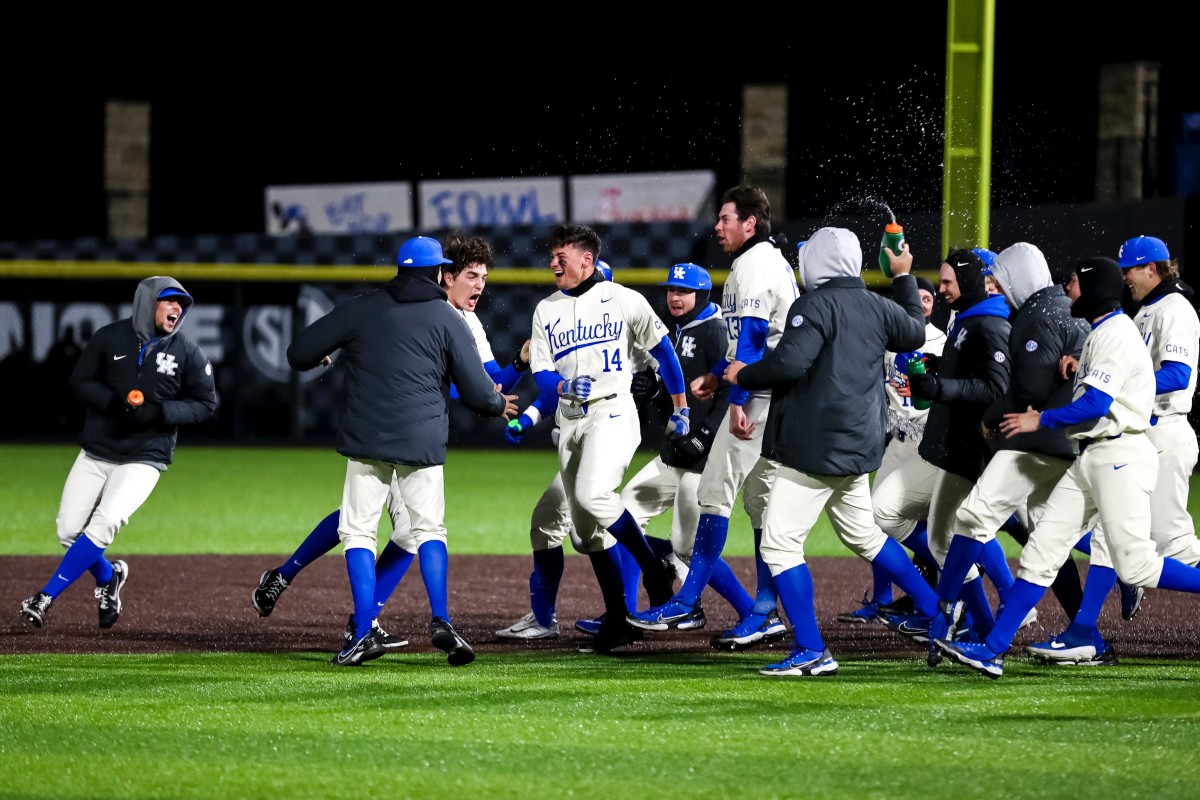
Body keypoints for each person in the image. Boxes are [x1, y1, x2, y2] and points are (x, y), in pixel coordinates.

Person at [255, 234, 529, 664]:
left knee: (362, 528)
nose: (478, 285)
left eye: (483, 277)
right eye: (469, 275)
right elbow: (480, 391)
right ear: (444, 274)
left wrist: (515, 368)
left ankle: (359, 622)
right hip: (420, 437)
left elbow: (302, 351)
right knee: (421, 530)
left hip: (369, 434)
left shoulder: (370, 305)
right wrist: (495, 404)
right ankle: (430, 620)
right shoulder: (447, 319)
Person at [934, 256, 1200, 679]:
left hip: (1121, 457)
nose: (1068, 287)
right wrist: (1078, 365)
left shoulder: (1116, 332)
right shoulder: (1103, 331)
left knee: (1138, 566)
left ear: (1093, 289)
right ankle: (992, 648)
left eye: (1075, 281)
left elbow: (1098, 404)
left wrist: (1039, 419)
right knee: (1042, 551)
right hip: (1092, 456)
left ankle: (1023, 640)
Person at [723, 226, 940, 676]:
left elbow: (788, 364)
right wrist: (902, 275)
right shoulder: (878, 306)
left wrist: (742, 375)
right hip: (860, 444)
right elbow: (916, 332)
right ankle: (940, 614)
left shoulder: (815, 304)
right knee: (865, 535)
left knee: (780, 545)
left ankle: (811, 649)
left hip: (818, 447)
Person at [629, 184, 798, 652]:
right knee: (762, 506)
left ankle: (685, 599)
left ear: (750, 223)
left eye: (726, 218)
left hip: (758, 399)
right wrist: (718, 379)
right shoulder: (768, 261)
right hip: (777, 396)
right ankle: (763, 610)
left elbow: (754, 341)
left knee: (712, 494)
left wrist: (737, 398)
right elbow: (754, 343)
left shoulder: (753, 264)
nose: (718, 226)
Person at [1024, 235, 1200, 665]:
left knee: (1173, 545)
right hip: (1141, 432)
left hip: (1161, 433)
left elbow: (1177, 374)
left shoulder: (1174, 309)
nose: (1124, 278)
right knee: (1109, 537)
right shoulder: (1144, 312)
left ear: (1154, 269)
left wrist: (1122, 381)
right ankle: (1084, 629)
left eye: (1131, 270)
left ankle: (1090, 623)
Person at [914, 242, 1090, 666]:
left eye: (1001, 278)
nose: (996, 286)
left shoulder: (1034, 315)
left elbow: (1024, 392)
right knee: (1049, 541)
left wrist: (991, 416)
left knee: (977, 517)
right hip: (1070, 443)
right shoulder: (1063, 310)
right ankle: (1084, 630)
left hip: (1038, 442)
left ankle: (945, 609)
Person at [527, 223, 692, 655]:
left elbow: (663, 352)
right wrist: (561, 388)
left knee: (594, 493)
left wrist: (681, 406)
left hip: (613, 411)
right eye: (551, 257)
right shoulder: (546, 308)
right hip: (569, 422)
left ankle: (654, 568)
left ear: (586, 259)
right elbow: (541, 372)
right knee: (585, 536)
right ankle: (619, 620)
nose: (552, 264)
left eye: (560, 257)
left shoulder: (623, 299)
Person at [20, 277, 219, 630]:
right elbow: (79, 382)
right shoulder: (109, 337)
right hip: (98, 450)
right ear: (147, 302)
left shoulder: (186, 351)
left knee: (106, 521)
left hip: (146, 456)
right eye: (169, 300)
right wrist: (113, 403)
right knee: (68, 531)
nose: (177, 308)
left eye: (182, 304)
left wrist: (161, 412)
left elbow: (206, 403)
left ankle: (44, 596)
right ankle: (110, 576)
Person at [879, 248, 1012, 646]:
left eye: (950, 281)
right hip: (947, 448)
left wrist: (943, 387)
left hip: (971, 451)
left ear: (971, 281)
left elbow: (996, 388)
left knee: (1028, 531)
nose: (942, 288)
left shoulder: (989, 324)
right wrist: (941, 373)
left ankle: (992, 618)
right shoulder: (967, 320)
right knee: (926, 525)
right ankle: (982, 618)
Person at [837, 274, 945, 623]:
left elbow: (929, 393)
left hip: (924, 443)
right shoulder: (890, 338)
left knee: (913, 522)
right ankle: (883, 599)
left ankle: (949, 574)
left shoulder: (940, 341)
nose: (922, 303)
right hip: (893, 440)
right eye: (917, 298)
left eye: (927, 298)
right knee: (873, 521)